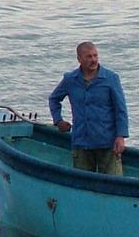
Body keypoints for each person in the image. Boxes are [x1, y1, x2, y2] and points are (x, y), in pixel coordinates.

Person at [48, 41, 129, 175]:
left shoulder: (110, 78)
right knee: (82, 184)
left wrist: (121, 136)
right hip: (81, 142)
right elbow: (54, 99)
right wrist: (58, 121)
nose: (93, 60)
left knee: (113, 184)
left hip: (107, 142)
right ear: (79, 59)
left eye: (95, 56)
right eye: (89, 57)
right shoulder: (70, 79)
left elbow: (121, 109)